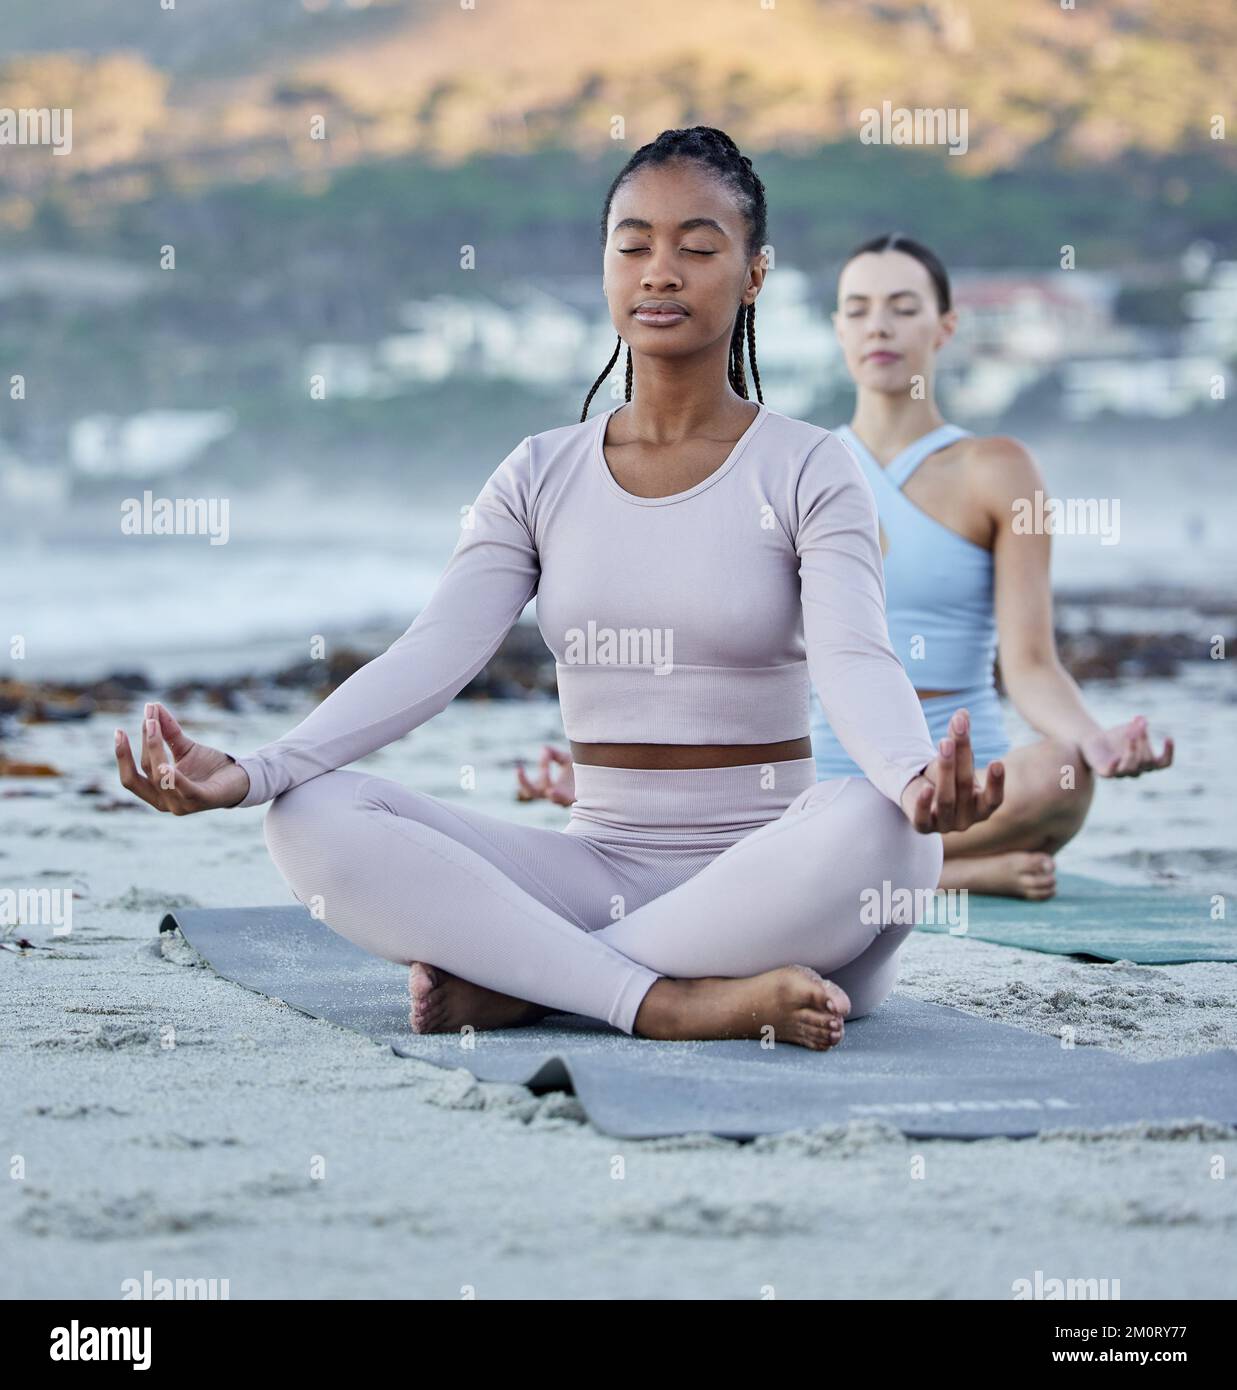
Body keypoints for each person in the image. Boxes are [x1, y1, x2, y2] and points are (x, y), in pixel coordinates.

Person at [114, 128, 1002, 1049]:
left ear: (753, 275)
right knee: (311, 818)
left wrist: (910, 775)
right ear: (605, 266)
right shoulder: (539, 472)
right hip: (592, 868)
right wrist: (258, 771)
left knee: (890, 833)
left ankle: (538, 987)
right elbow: (434, 654)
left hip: (773, 880)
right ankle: (664, 1002)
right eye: (632, 246)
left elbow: (854, 653)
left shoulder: (809, 467)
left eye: (697, 249)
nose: (660, 272)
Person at [520, 233, 1174, 901]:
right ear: (837, 328)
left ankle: (906, 865)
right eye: (857, 308)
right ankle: (947, 874)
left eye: (902, 306)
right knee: (791, 818)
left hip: (954, 779)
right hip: (810, 782)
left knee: (1060, 775)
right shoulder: (792, 465)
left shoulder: (997, 469)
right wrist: (622, 773)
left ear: (945, 326)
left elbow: (1031, 664)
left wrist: (1093, 742)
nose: (878, 326)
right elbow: (703, 638)